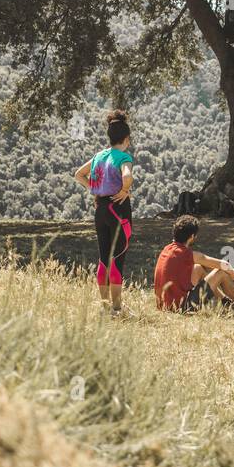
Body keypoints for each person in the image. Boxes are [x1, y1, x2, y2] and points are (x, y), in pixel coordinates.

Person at [74, 110, 134, 315]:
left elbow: (78, 174)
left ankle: (104, 306)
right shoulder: (124, 156)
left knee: (103, 258)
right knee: (117, 257)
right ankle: (117, 309)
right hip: (118, 210)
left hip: (100, 209)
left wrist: (94, 188)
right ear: (126, 139)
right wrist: (125, 190)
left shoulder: (99, 156)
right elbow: (127, 176)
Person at [154, 215, 234, 311]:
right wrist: (233, 274)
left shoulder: (167, 249)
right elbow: (224, 265)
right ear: (192, 236)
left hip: (163, 305)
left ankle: (226, 302)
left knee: (197, 268)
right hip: (181, 307)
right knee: (221, 273)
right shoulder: (186, 254)